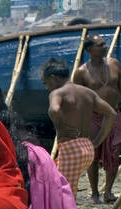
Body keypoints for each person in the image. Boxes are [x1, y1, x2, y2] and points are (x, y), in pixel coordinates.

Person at [41, 58, 115, 194]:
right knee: (69, 189)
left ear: (53, 78)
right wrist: (98, 140)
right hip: (87, 148)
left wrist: (61, 126)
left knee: (63, 192)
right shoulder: (88, 93)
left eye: (46, 83)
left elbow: (54, 110)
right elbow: (111, 113)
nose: (46, 87)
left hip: (71, 149)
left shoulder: (57, 93)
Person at [73, 35, 121, 203]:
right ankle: (94, 193)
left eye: (104, 44)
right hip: (92, 117)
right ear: (89, 50)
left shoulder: (113, 64)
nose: (104, 47)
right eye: (99, 45)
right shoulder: (81, 72)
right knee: (92, 154)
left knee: (114, 152)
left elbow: (119, 86)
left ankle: (108, 191)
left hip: (114, 114)